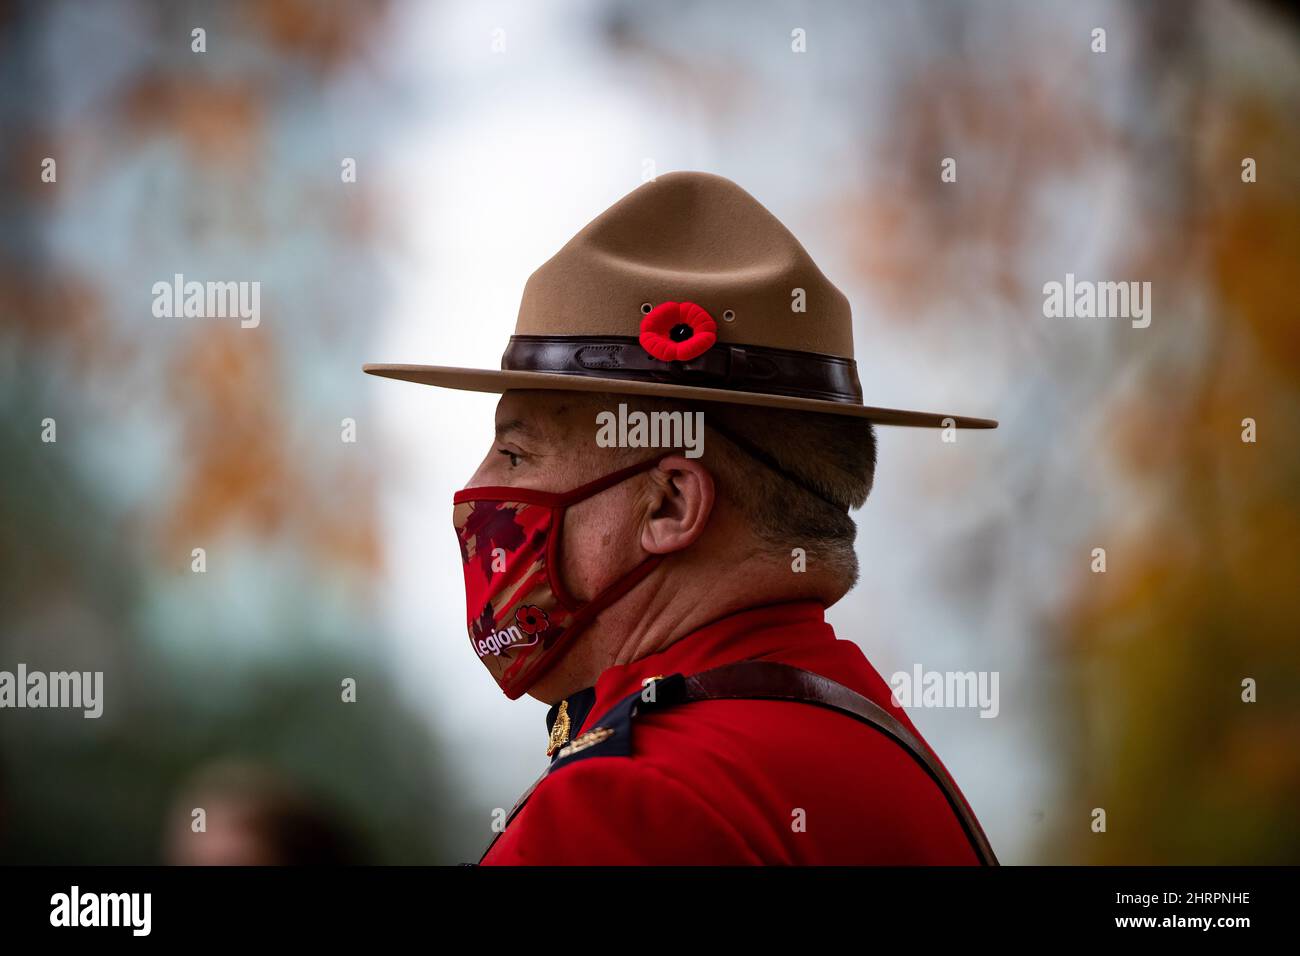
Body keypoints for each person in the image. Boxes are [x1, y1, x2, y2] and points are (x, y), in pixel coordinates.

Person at [366, 171, 998, 864]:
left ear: (669, 504)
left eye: (516, 454)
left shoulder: (628, 804)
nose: (476, 488)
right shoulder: (889, 758)